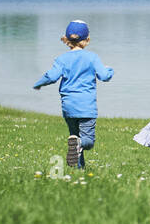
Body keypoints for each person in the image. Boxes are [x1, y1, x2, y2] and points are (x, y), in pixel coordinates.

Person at [33, 19, 114, 170]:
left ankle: (79, 169)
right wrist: (110, 70)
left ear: (66, 39)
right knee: (87, 141)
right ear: (87, 40)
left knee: (74, 136)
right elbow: (104, 76)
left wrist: (38, 84)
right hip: (86, 107)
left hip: (68, 106)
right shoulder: (92, 58)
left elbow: (51, 76)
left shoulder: (61, 59)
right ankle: (79, 145)